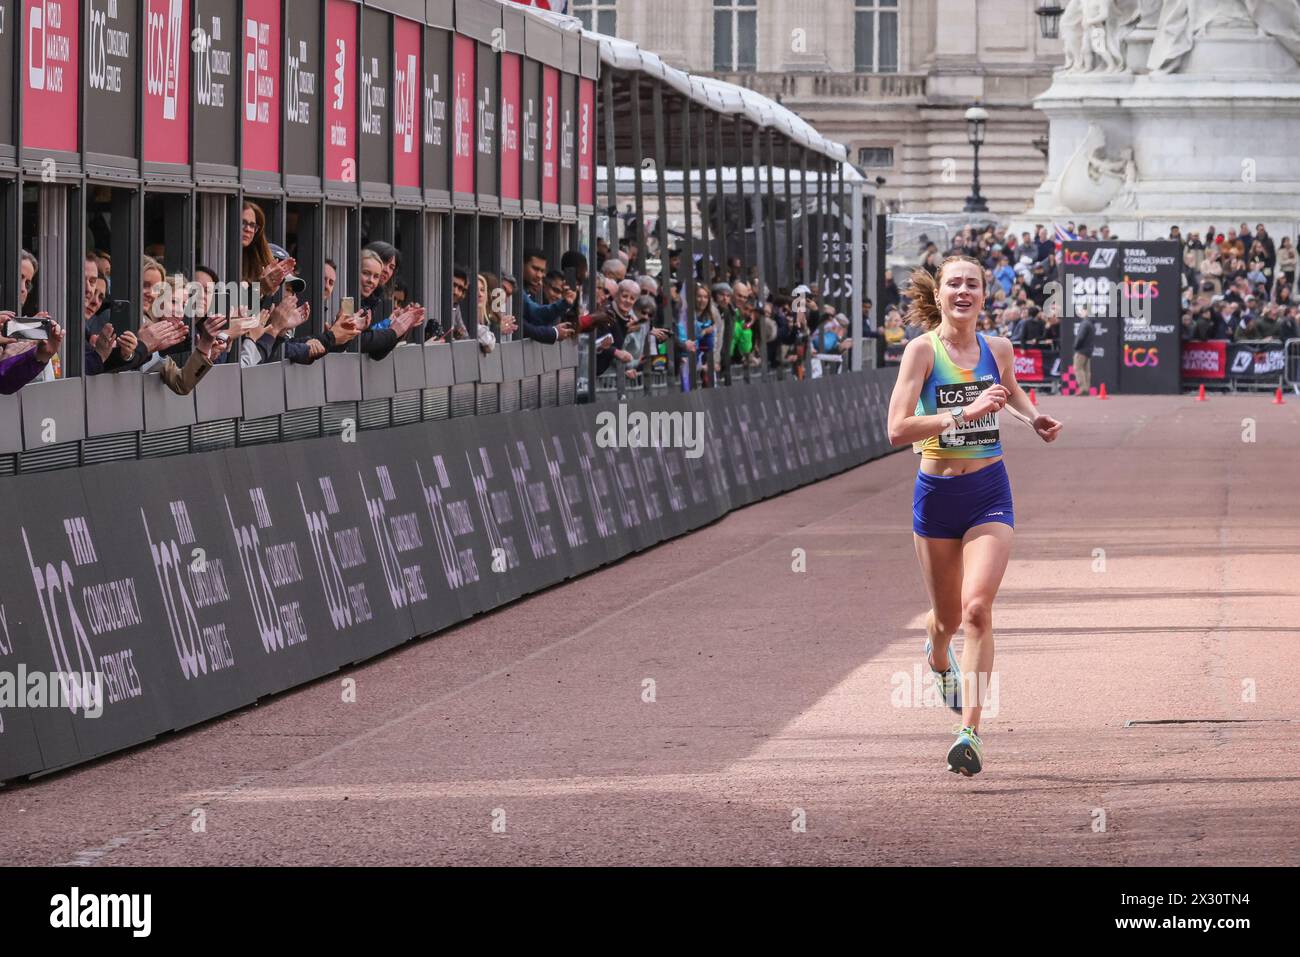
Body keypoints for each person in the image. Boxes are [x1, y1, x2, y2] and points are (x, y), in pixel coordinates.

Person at [886, 255, 1062, 776]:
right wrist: (963, 413)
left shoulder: (998, 348)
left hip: (989, 491)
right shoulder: (921, 352)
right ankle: (938, 658)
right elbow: (897, 429)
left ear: (986, 295)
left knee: (978, 610)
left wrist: (1032, 417)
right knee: (945, 619)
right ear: (939, 295)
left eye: (973, 285)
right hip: (936, 495)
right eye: (955, 284)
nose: (964, 291)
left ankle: (971, 731)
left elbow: (1007, 390)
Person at [1072, 307, 1095, 394]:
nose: (1080, 312)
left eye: (1082, 311)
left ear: (1086, 312)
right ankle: (1086, 388)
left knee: (1078, 368)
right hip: (1088, 350)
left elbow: (1080, 337)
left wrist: (1076, 346)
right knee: (1086, 370)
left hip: (1081, 350)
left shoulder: (1085, 323)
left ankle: (1083, 389)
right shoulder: (1091, 323)